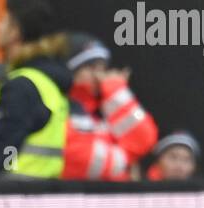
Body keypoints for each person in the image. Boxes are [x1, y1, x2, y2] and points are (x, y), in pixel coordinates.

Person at [0, 0, 70, 179]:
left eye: (3, 21)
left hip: (10, 199)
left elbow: (4, 148)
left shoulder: (22, 86)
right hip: (37, 196)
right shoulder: (45, 82)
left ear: (15, 32)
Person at [62, 33, 158, 181]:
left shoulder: (109, 106)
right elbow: (83, 161)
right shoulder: (63, 107)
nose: (99, 76)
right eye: (91, 68)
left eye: (102, 68)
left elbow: (144, 140)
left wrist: (116, 90)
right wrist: (128, 159)